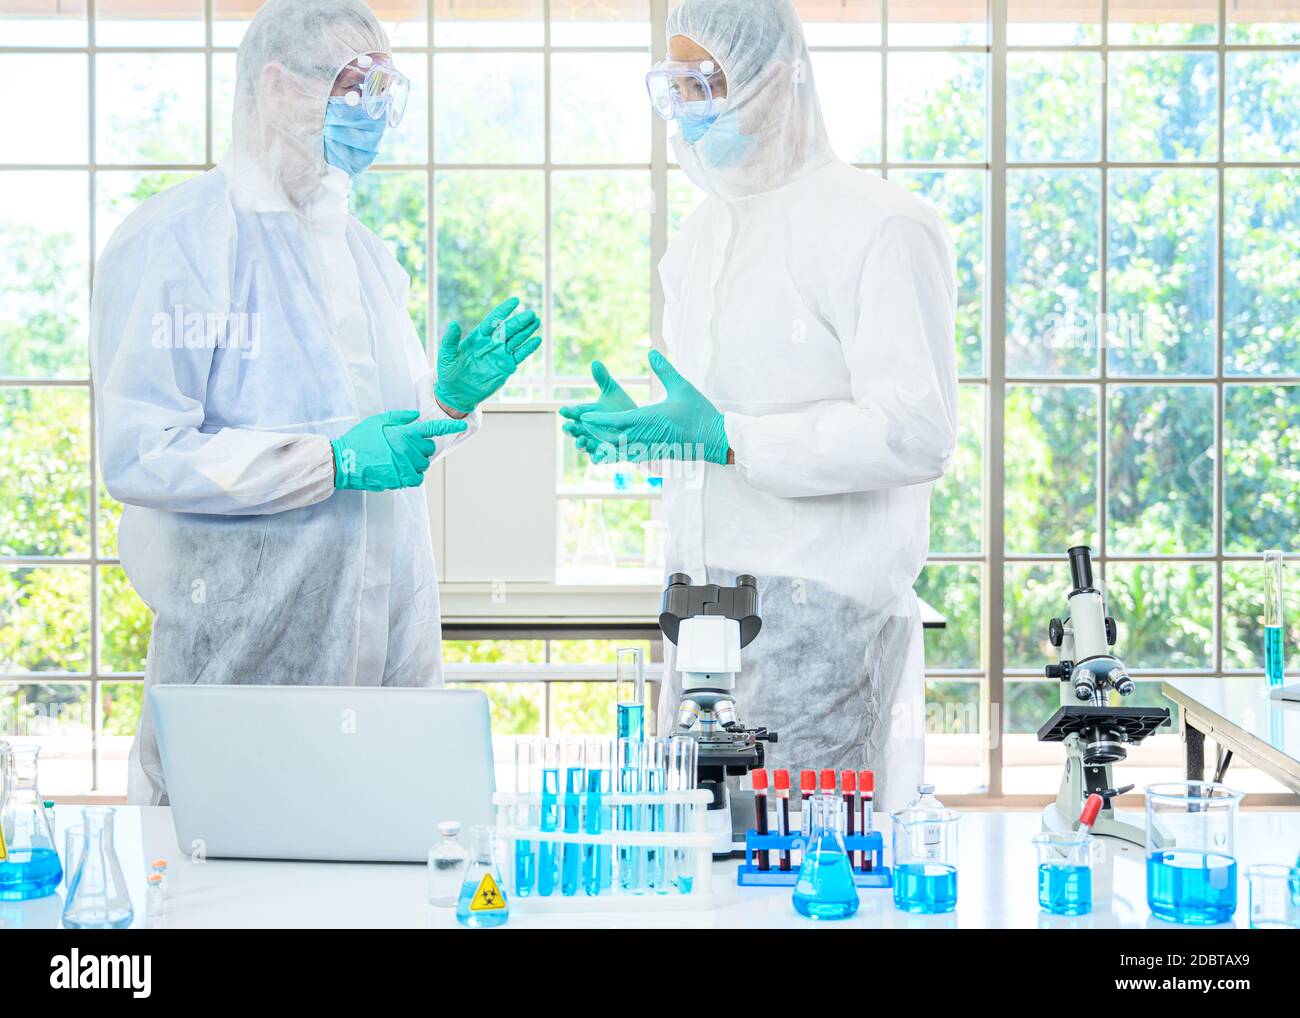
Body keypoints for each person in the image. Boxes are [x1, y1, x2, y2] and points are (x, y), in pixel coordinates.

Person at [90, 0, 541, 804]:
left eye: (384, 93)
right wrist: (329, 462)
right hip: (241, 665)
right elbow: (140, 451)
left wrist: (449, 401)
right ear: (276, 87)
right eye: (354, 87)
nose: (374, 116)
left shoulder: (363, 255)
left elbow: (393, 443)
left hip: (384, 665)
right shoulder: (182, 238)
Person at [561, 0, 957, 811]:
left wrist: (727, 439)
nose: (686, 108)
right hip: (700, 608)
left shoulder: (883, 226)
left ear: (776, 82)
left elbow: (916, 432)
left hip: (822, 616)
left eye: (705, 82)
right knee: (706, 857)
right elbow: (713, 422)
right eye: (674, 86)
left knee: (808, 858)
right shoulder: (699, 240)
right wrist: (656, 436)